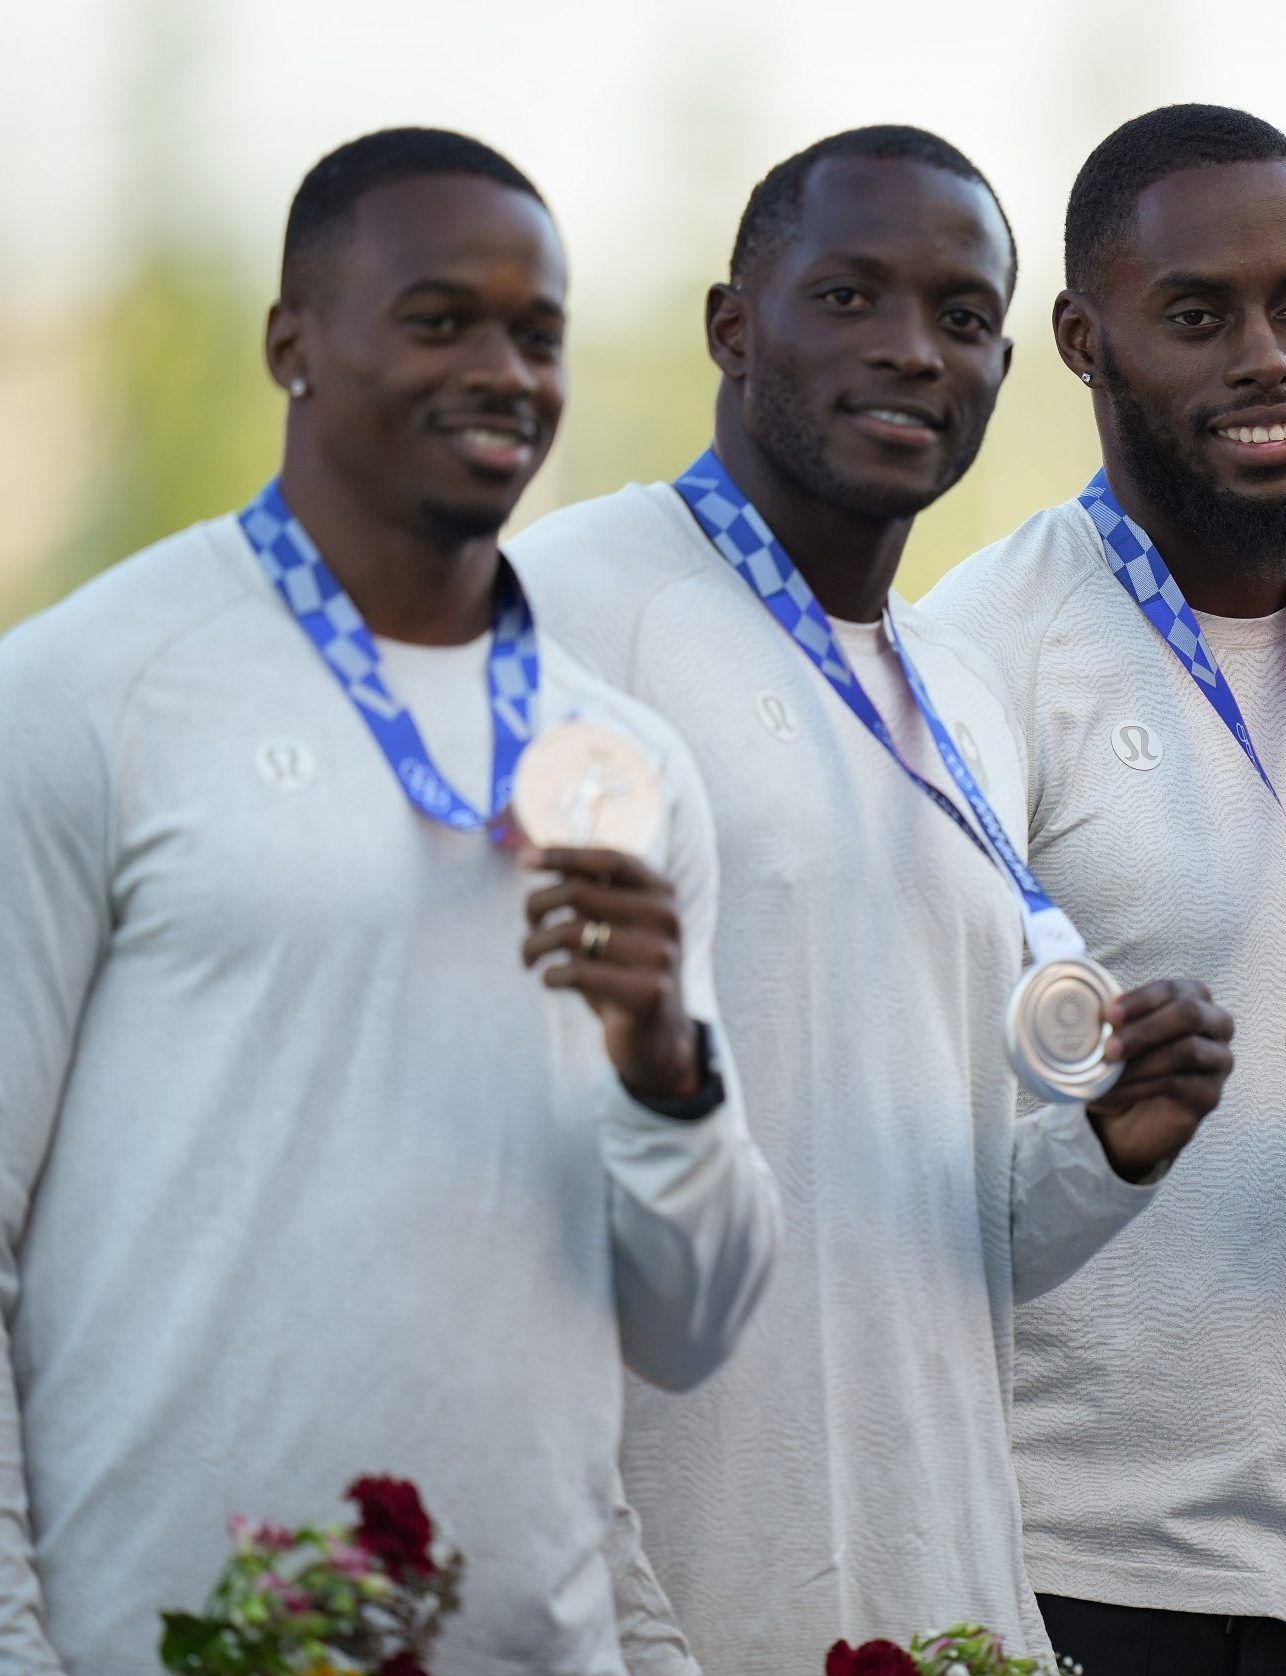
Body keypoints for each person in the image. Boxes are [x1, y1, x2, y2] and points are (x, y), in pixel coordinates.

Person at [0, 128, 776, 1673]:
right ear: (291, 342)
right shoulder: (83, 692)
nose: (504, 372)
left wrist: (661, 1070)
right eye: (440, 321)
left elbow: (693, 1328)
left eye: (538, 333)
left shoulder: (626, 765)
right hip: (181, 1641)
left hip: (530, 1640)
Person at [510, 125, 1235, 1674]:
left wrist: (1108, 1144)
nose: (911, 349)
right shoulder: (571, 608)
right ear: (732, 326)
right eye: (849, 297)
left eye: (961, 317)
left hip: (937, 1581)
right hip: (671, 1586)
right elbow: (500, 1171)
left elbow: (941, 1226)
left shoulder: (958, 687)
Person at [923, 105, 1286, 1675]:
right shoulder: (971, 665)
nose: (1268, 359)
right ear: (1082, 342)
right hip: (1023, 1555)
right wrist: (1104, 1131)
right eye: (1197, 316)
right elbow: (898, 1179)